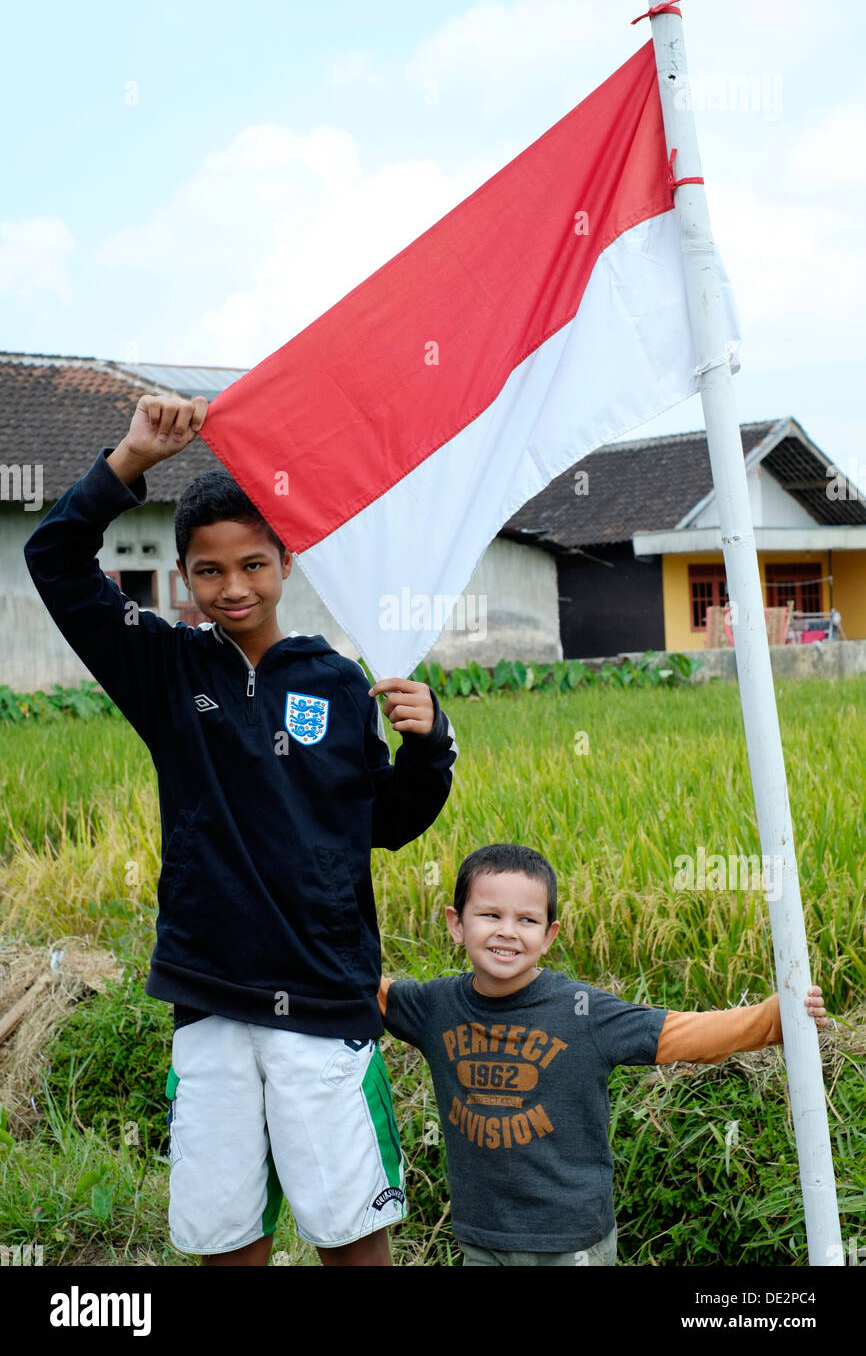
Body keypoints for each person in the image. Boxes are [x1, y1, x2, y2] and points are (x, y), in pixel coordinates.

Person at [24, 392, 458, 1267]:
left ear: (287, 561)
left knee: (349, 1235)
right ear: (183, 574)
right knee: (224, 1238)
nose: (234, 588)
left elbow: (385, 823)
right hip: (210, 992)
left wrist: (430, 745)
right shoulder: (162, 665)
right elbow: (55, 557)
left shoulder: (336, 680)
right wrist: (133, 459)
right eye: (210, 571)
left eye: (254, 564)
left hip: (326, 992)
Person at [378, 843, 829, 1266]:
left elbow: (681, 1034)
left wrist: (775, 1017)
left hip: (570, 1239)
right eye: (490, 914)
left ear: (550, 934)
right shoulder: (433, 1007)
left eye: (527, 920)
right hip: (482, 1237)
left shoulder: (582, 1011)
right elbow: (358, 989)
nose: (507, 932)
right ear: (456, 923)